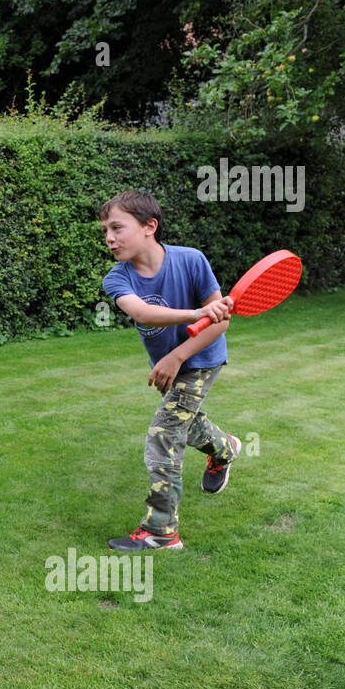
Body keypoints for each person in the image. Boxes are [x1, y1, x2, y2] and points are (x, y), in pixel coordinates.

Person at [99, 190, 239, 550]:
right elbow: (143, 312)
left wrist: (178, 355)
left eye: (117, 228)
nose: (109, 238)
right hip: (167, 365)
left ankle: (161, 531)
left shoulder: (191, 260)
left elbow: (219, 324)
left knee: (163, 434)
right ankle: (224, 449)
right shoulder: (117, 278)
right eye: (105, 231)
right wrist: (195, 314)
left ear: (150, 226)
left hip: (201, 358)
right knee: (186, 425)